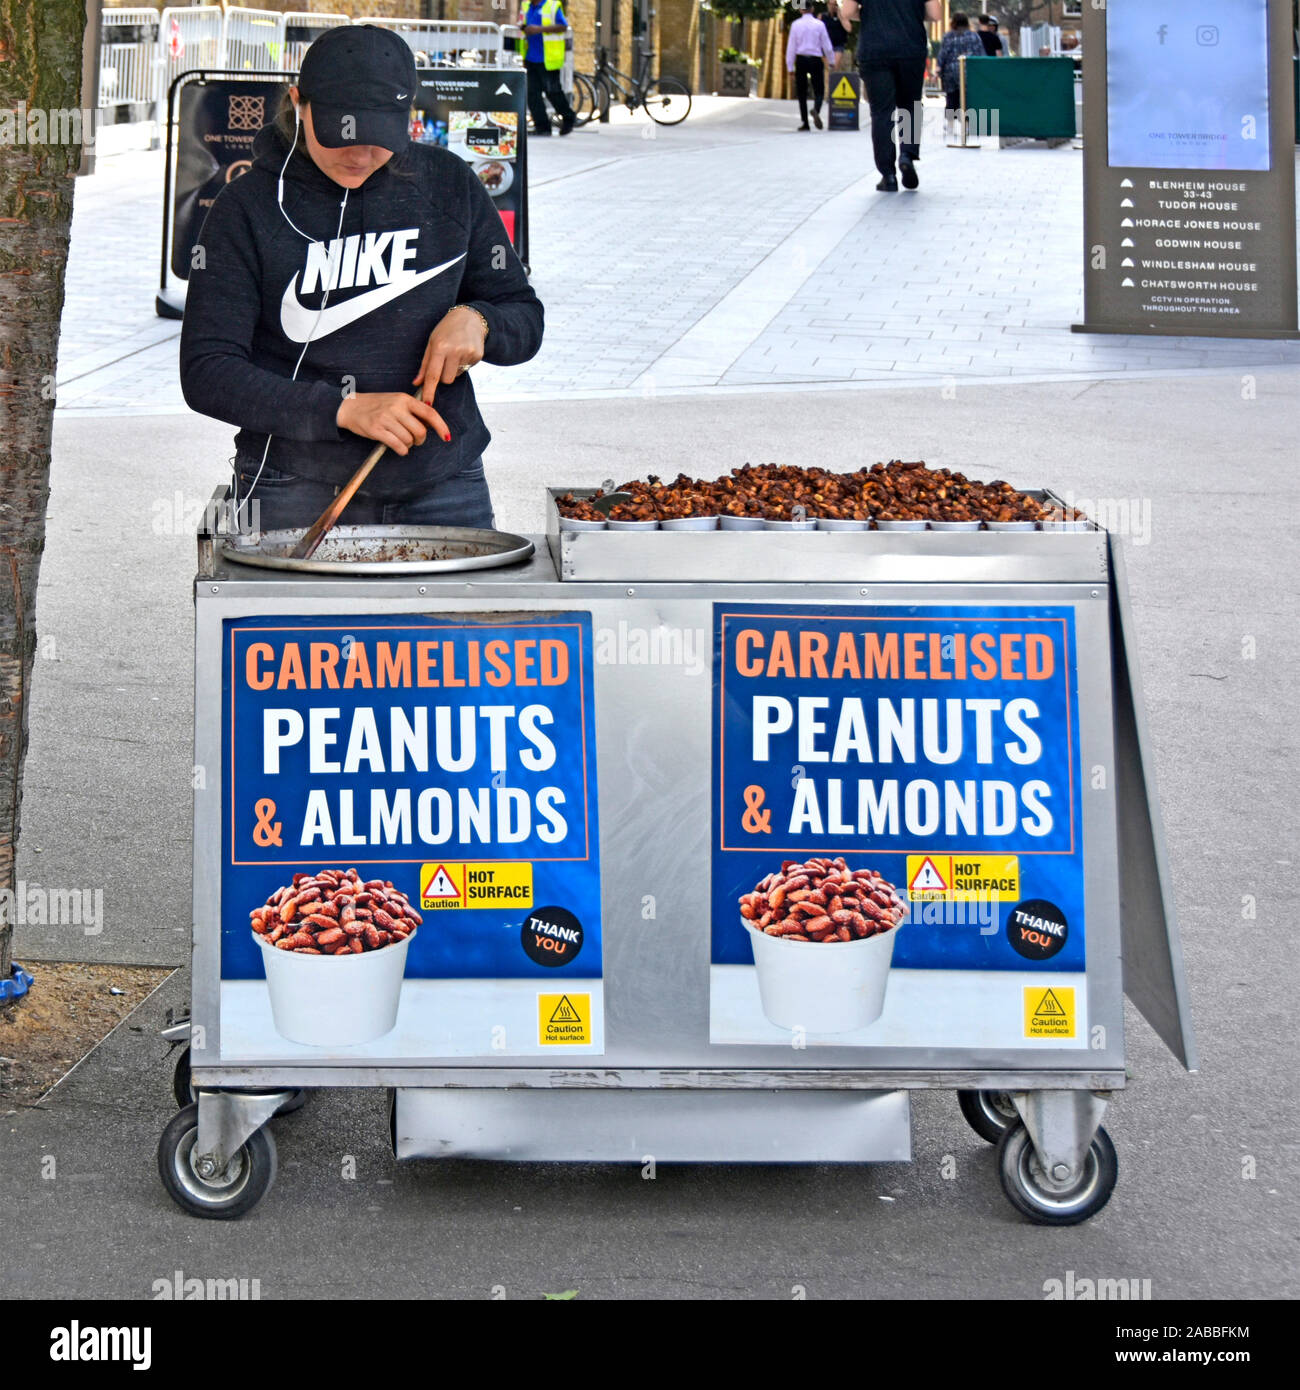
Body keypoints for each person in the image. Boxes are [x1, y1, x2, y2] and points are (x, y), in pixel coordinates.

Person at [179, 25, 544, 531]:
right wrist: (342, 410)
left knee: (453, 616)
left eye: (378, 138)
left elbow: (524, 316)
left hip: (446, 483)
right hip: (291, 484)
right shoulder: (246, 208)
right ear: (298, 103)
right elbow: (207, 371)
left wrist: (478, 320)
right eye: (339, 134)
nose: (358, 154)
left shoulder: (450, 183)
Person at [840, 0, 942, 192]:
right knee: (910, 106)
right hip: (910, 49)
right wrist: (913, 12)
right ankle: (907, 156)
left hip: (875, 50)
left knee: (881, 113)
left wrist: (869, 14)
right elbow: (935, 14)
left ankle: (888, 175)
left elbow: (848, 11)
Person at [521, 0, 575, 136]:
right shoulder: (526, 6)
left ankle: (568, 118)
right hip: (530, 56)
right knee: (532, 94)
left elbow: (563, 26)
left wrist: (539, 29)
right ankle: (542, 127)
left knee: (553, 91)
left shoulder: (552, 6)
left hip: (547, 58)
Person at [787, 1, 836, 131]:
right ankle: (816, 110)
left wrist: (790, 67)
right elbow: (827, 45)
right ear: (812, 9)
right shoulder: (819, 25)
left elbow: (791, 47)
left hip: (801, 60)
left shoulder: (796, 25)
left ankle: (805, 123)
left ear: (801, 10)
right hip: (815, 60)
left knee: (801, 92)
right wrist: (831, 61)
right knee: (819, 89)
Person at [937, 12, 986, 140]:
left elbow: (943, 54)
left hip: (950, 71)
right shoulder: (974, 36)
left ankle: (950, 126)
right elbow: (980, 54)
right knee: (967, 99)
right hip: (968, 71)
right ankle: (968, 126)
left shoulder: (948, 37)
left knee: (951, 98)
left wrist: (938, 68)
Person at [822, 0, 852, 73]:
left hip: (838, 45)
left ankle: (833, 80)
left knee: (834, 66)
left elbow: (849, 29)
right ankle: (828, 82)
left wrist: (840, 16)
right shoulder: (823, 17)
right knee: (828, 69)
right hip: (825, 46)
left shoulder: (842, 16)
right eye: (830, 4)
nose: (832, 7)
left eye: (834, 5)